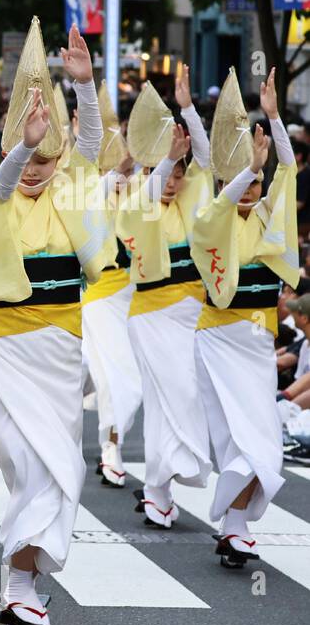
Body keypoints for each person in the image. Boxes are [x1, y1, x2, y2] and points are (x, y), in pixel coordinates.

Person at [0, 20, 105, 625]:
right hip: (2, 347)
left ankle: (22, 587)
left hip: (59, 346)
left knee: (55, 467)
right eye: (29, 156)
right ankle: (22, 585)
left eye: (47, 157)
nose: (35, 168)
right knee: (26, 462)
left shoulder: (72, 193)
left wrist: (87, 88)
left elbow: (92, 143)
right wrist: (17, 144)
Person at [191, 68, 301, 568]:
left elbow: (290, 169)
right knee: (235, 439)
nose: (255, 187)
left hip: (257, 344)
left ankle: (232, 525)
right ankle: (234, 528)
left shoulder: (267, 220)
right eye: (246, 180)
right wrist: (243, 172)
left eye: (259, 180)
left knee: (262, 445)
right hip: (217, 339)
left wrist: (275, 118)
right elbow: (216, 210)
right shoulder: (211, 220)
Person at [117, 69, 213, 528]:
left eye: (179, 172)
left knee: (175, 398)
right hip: (151, 314)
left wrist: (190, 110)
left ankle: (157, 489)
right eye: (169, 172)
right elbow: (149, 193)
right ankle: (159, 484)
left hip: (193, 312)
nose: (175, 180)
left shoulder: (191, 197)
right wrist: (162, 164)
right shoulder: (139, 198)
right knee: (175, 393)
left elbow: (208, 163)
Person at [79, 80, 140, 489]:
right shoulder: (83, 189)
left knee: (92, 373)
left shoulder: (138, 192)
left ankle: (106, 441)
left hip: (135, 296)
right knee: (120, 381)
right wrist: (111, 178)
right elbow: (87, 208)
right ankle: (111, 448)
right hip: (99, 297)